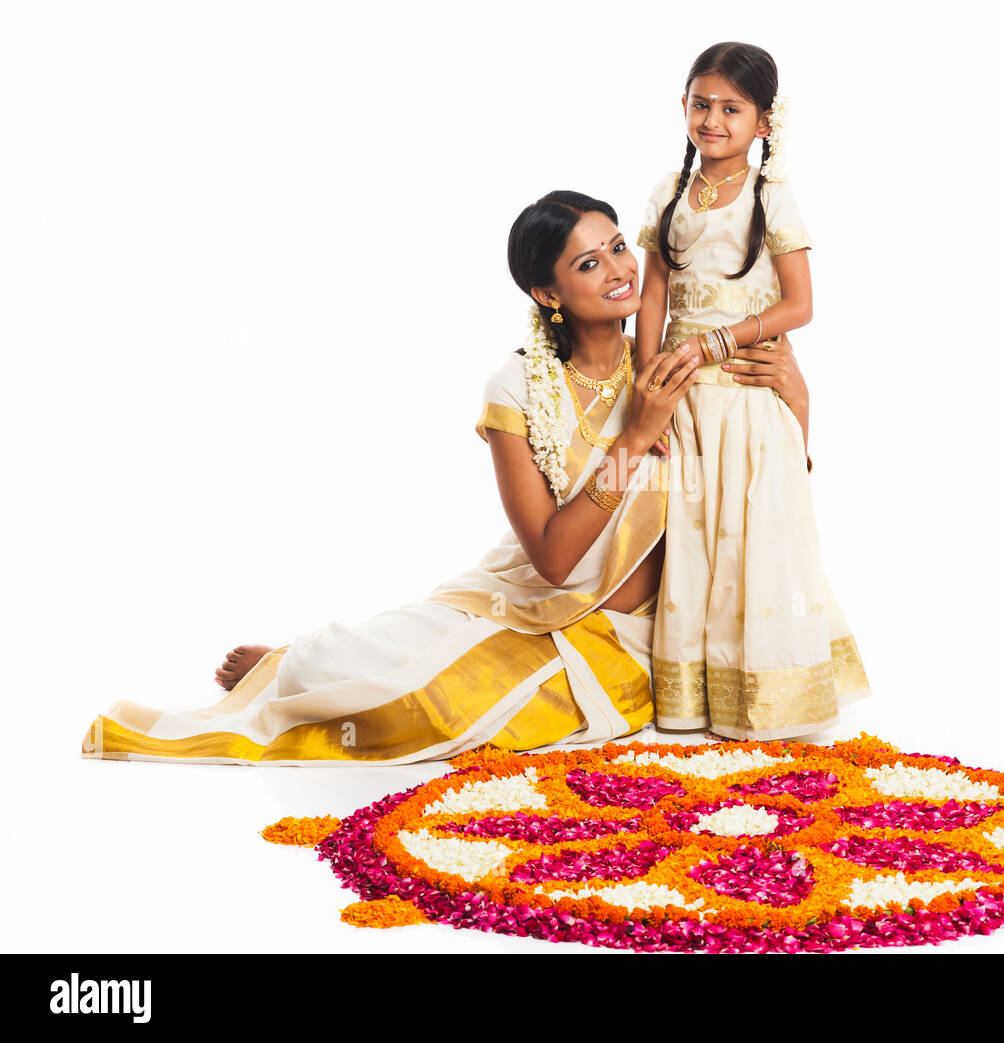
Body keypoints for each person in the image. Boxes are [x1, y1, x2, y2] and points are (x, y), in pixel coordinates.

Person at [81, 189, 814, 765]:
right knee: (341, 665)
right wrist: (638, 436)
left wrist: (797, 395)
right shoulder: (518, 388)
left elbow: (771, 484)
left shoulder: (668, 364)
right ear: (548, 294)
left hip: (631, 639)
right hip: (522, 600)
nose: (621, 269)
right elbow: (555, 562)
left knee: (439, 709)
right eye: (588, 263)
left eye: (619, 247)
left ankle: (299, 665)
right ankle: (292, 660)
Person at [635, 42, 870, 741]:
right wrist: (651, 381)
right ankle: (695, 698)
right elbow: (653, 295)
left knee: (751, 536)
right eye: (700, 104)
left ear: (764, 122)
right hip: (684, 398)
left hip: (745, 392)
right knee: (695, 537)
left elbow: (800, 305)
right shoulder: (668, 195)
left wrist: (719, 339)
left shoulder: (772, 197)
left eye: (731, 109)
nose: (712, 119)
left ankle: (768, 698)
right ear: (683, 106)